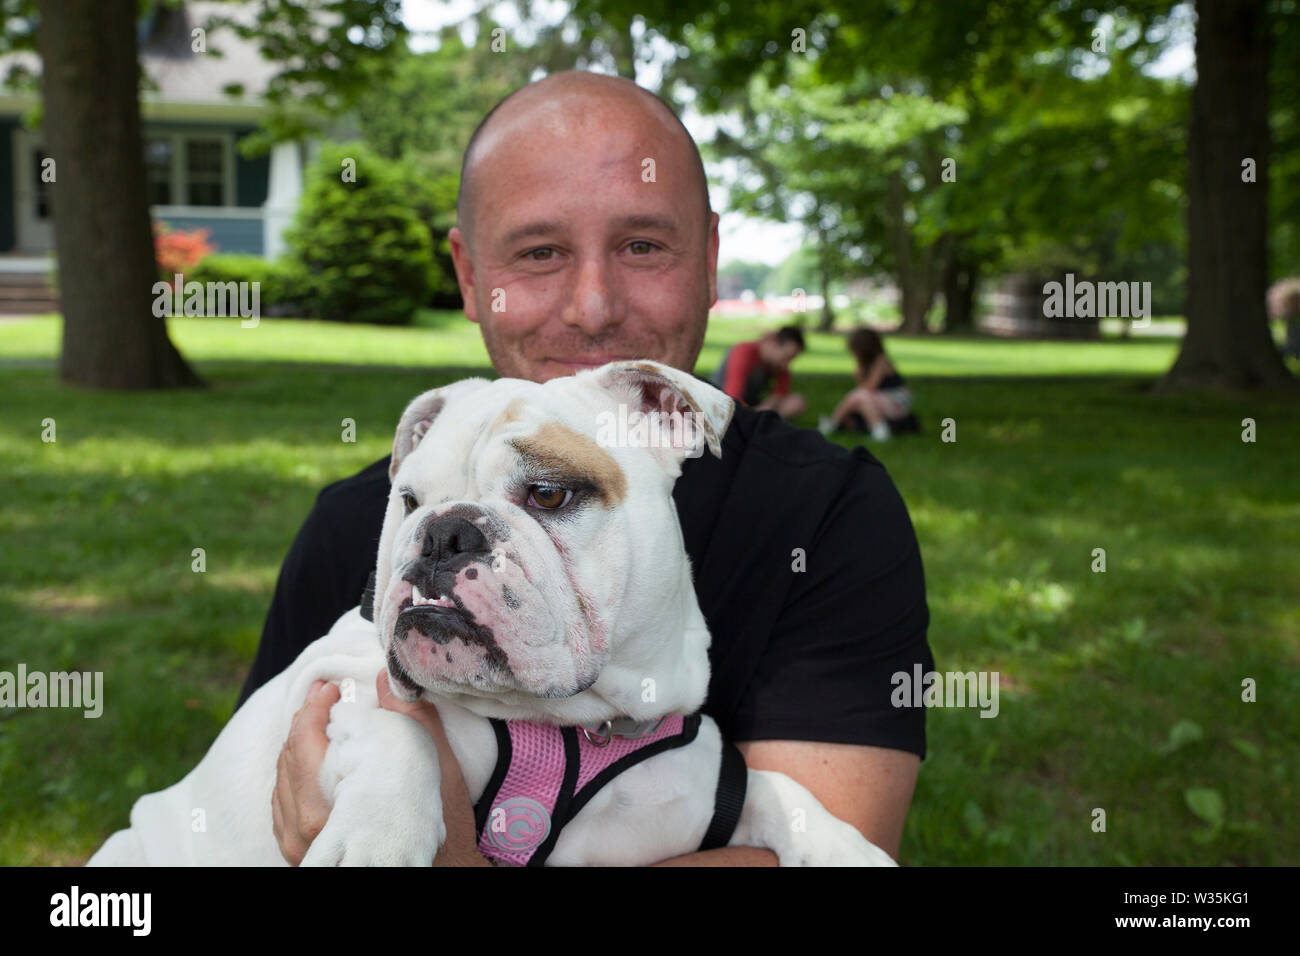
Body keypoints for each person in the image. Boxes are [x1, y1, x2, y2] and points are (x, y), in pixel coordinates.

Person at [238, 70, 933, 867]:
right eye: (540, 252)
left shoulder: (826, 514)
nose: (593, 307)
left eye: (642, 246)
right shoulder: (353, 525)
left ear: (708, 259)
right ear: (470, 277)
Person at [819, 327, 918, 441]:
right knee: (861, 401)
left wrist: (858, 374)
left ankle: (832, 423)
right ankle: (879, 431)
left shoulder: (881, 361)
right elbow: (863, 387)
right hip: (880, 400)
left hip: (896, 401)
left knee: (858, 396)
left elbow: (870, 386)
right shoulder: (866, 364)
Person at [710, 325, 808, 421]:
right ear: (773, 344)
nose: (786, 364)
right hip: (723, 404)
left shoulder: (778, 364)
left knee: (796, 402)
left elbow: (781, 391)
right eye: (786, 356)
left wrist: (767, 406)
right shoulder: (744, 352)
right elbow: (733, 395)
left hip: (751, 407)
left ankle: (757, 423)